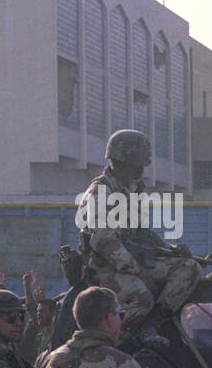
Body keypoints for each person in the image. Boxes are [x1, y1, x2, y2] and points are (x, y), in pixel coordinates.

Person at [78, 129, 201, 350]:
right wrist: (138, 271)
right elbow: (103, 241)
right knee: (141, 297)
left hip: (134, 262)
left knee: (189, 268)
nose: (142, 169)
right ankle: (110, 345)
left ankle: (152, 326)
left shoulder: (133, 190)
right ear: (125, 162)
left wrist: (170, 250)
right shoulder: (99, 192)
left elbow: (143, 233)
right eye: (139, 164)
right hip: (107, 269)